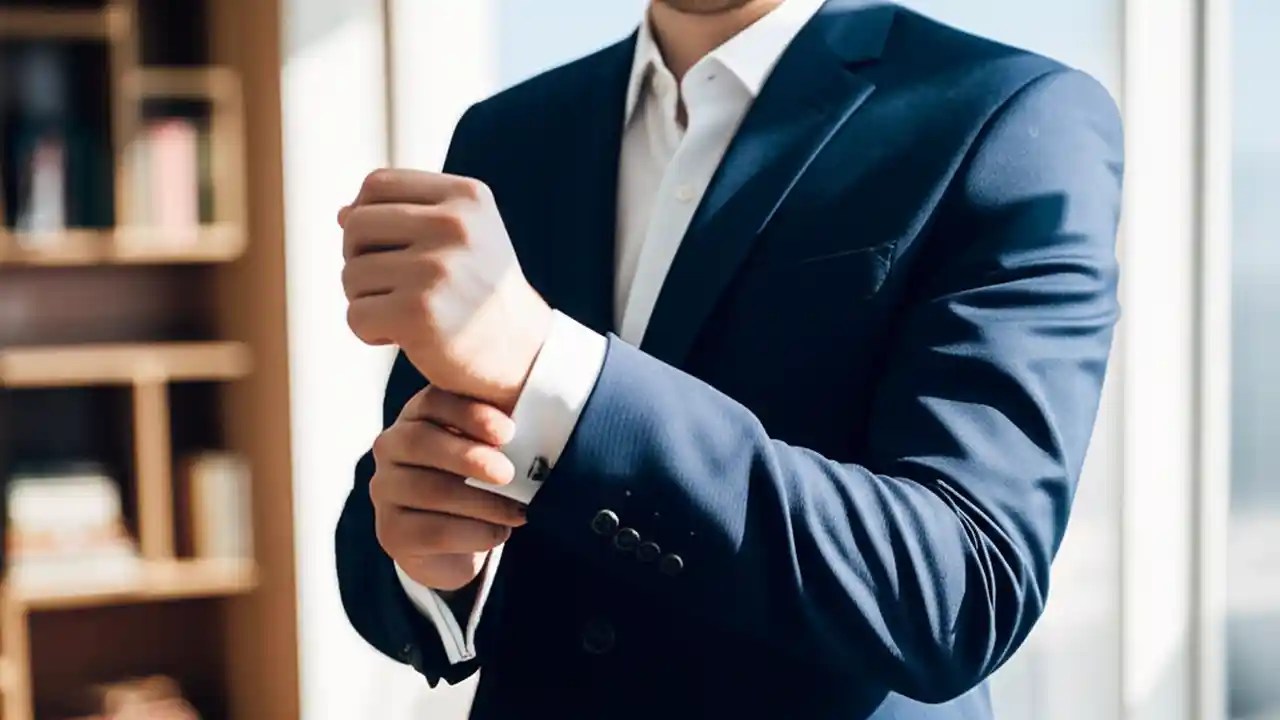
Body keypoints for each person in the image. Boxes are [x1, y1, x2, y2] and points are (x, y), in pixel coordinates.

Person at [334, 0, 1124, 717]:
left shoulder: (1010, 116)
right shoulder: (505, 134)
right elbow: (389, 521)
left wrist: (549, 363)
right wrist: (430, 564)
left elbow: (961, 591)